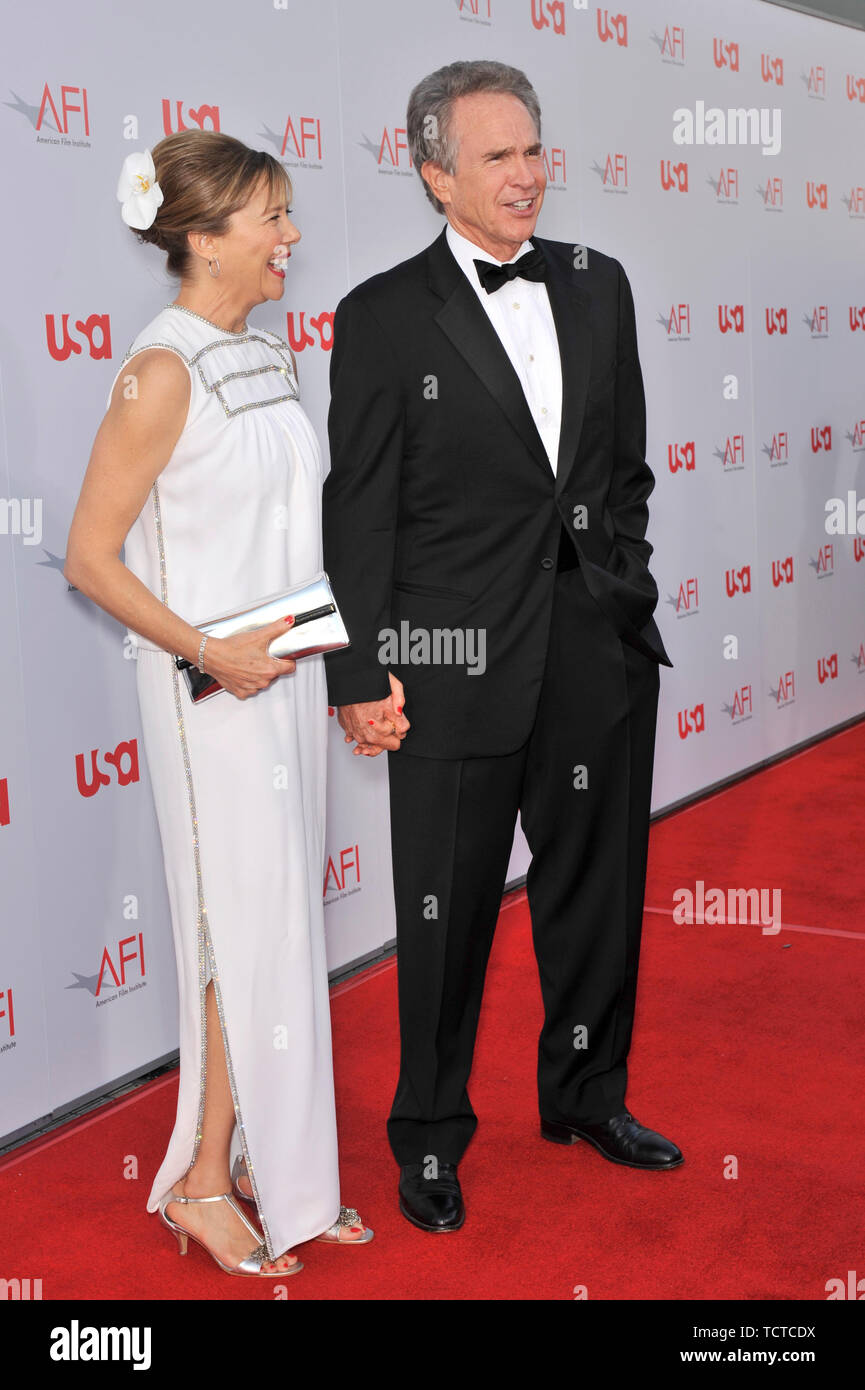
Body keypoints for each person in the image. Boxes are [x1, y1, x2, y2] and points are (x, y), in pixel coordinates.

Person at [322, 60, 682, 1234]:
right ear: (434, 174)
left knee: (595, 898)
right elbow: (360, 511)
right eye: (495, 156)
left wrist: (619, 587)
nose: (527, 174)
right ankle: (428, 1136)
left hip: (591, 650)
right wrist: (355, 668)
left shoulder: (597, 284)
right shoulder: (381, 316)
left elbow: (620, 467)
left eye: (533, 148)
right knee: (445, 917)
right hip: (445, 666)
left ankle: (586, 1095)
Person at [65, 130, 372, 1276]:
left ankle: (276, 1173)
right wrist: (211, 651)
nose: (292, 234)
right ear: (204, 238)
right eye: (272, 217)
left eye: (288, 214)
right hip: (213, 699)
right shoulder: (160, 371)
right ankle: (202, 1181)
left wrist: (320, 664)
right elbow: (92, 557)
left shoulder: (267, 352)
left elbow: (289, 538)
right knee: (232, 928)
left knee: (276, 924)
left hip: (281, 678)